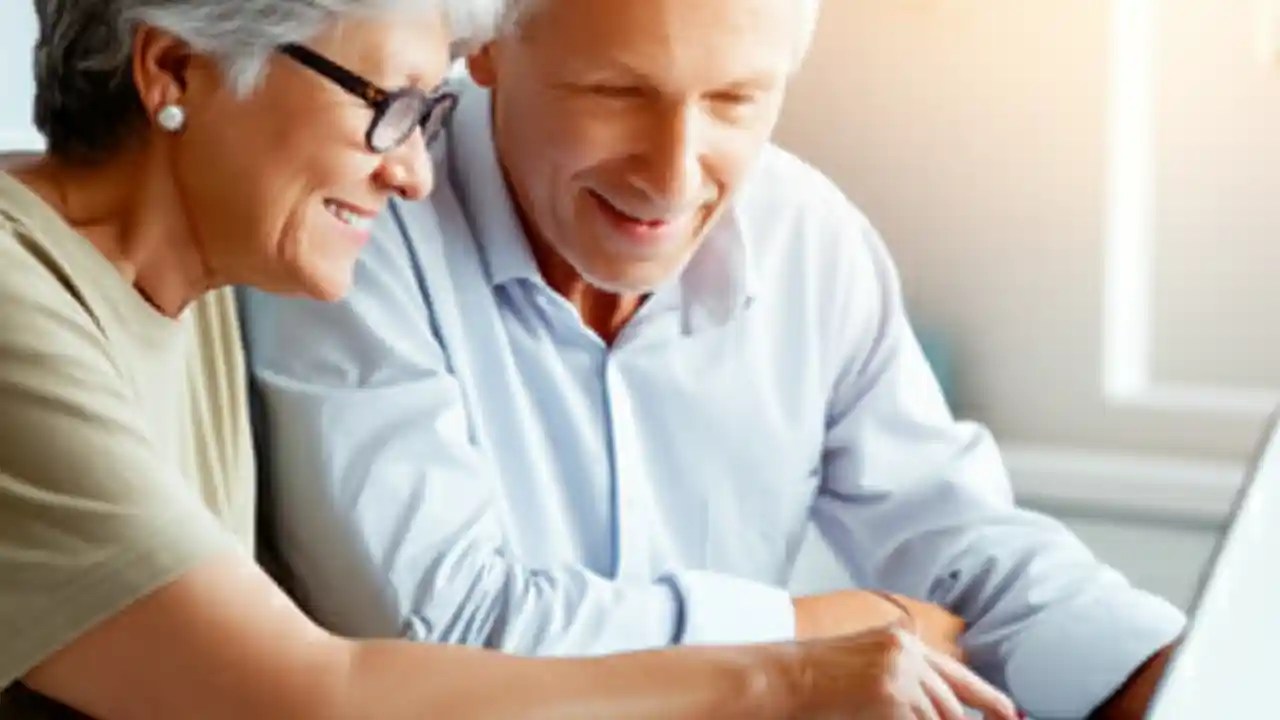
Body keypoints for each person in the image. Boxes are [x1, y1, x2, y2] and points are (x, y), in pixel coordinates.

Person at [0, 1, 1023, 719]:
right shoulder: (16, 300)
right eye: (387, 106)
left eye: (429, 115)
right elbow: (303, 697)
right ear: (172, 70)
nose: (410, 174)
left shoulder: (211, 296)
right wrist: (794, 675)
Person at [241, 0, 1186, 718]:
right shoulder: (360, 216)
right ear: (484, 48)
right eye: (614, 93)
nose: (673, 172)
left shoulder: (808, 236)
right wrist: (823, 635)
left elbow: (960, 541)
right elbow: (443, 631)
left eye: (735, 100)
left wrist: (1167, 672)